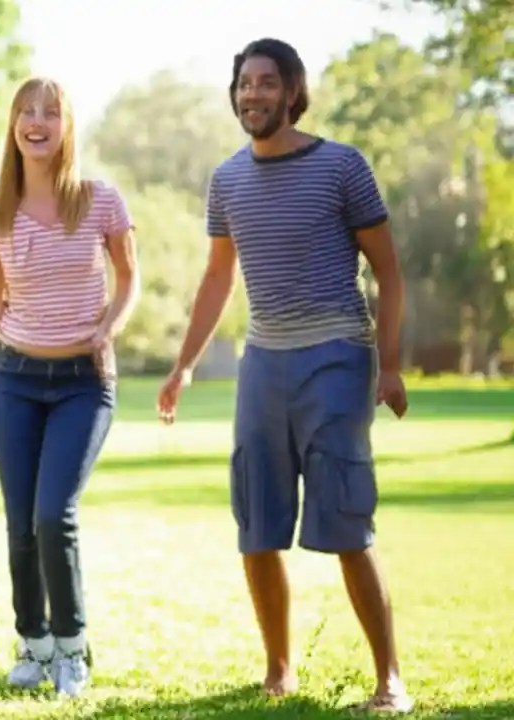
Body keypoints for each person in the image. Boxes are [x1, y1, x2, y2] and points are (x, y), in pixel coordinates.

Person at [156, 38, 413, 714]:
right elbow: (218, 278)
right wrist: (182, 365)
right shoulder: (227, 180)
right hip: (263, 362)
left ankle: (389, 681)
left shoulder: (342, 167)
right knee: (257, 519)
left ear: (293, 92)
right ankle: (279, 671)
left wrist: (389, 365)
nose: (253, 95)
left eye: (267, 83)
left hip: (336, 353)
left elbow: (387, 272)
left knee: (346, 517)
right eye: (244, 84)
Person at [0, 76, 140, 697]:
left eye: (50, 113)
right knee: (20, 522)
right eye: (25, 112)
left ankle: (72, 649)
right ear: (12, 126)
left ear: (67, 128)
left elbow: (127, 279)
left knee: (53, 514)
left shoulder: (99, 199)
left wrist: (108, 328)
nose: (36, 122)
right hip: (12, 376)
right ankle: (33, 645)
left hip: (82, 384)